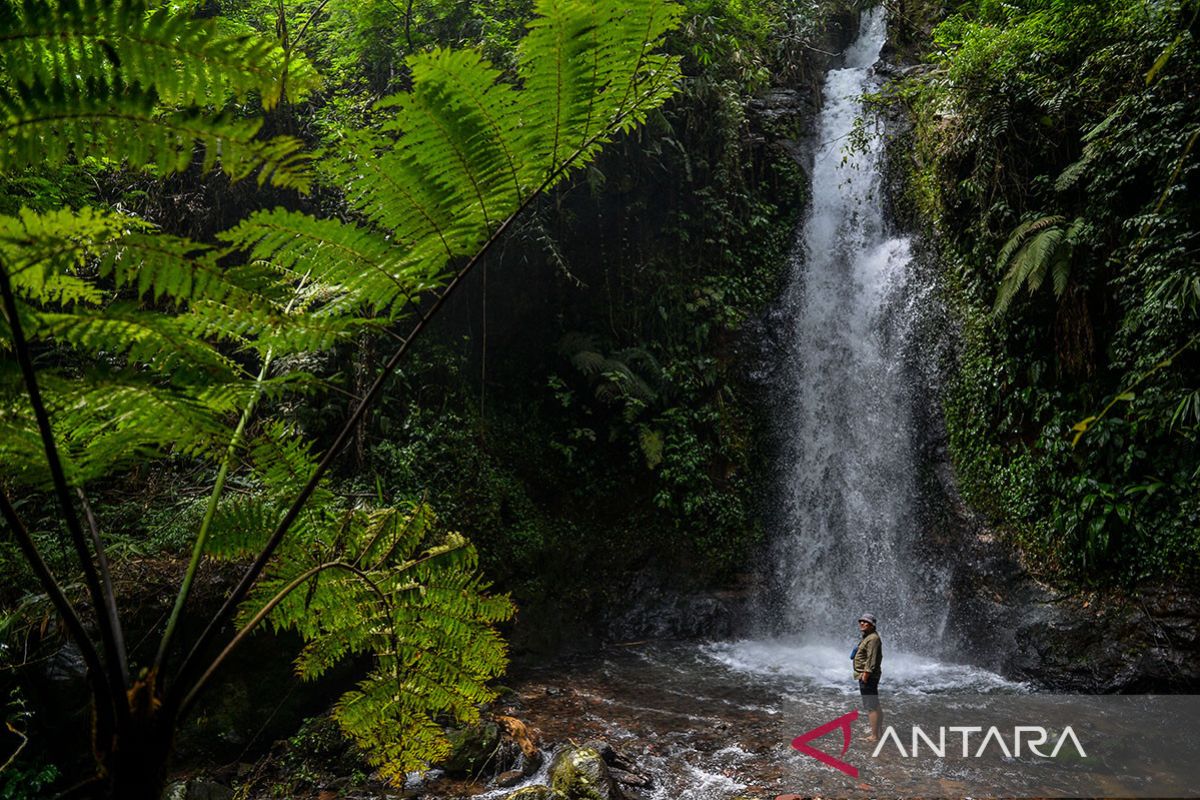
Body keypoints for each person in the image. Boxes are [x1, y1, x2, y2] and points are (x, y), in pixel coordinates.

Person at [852, 612, 883, 742]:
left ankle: (874, 736)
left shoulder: (873, 639)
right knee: (875, 704)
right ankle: (878, 731)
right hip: (868, 675)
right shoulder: (869, 637)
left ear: (872, 625)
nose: (862, 623)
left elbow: (871, 658)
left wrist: (866, 673)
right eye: (861, 621)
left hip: (868, 676)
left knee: (871, 706)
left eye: (866, 622)